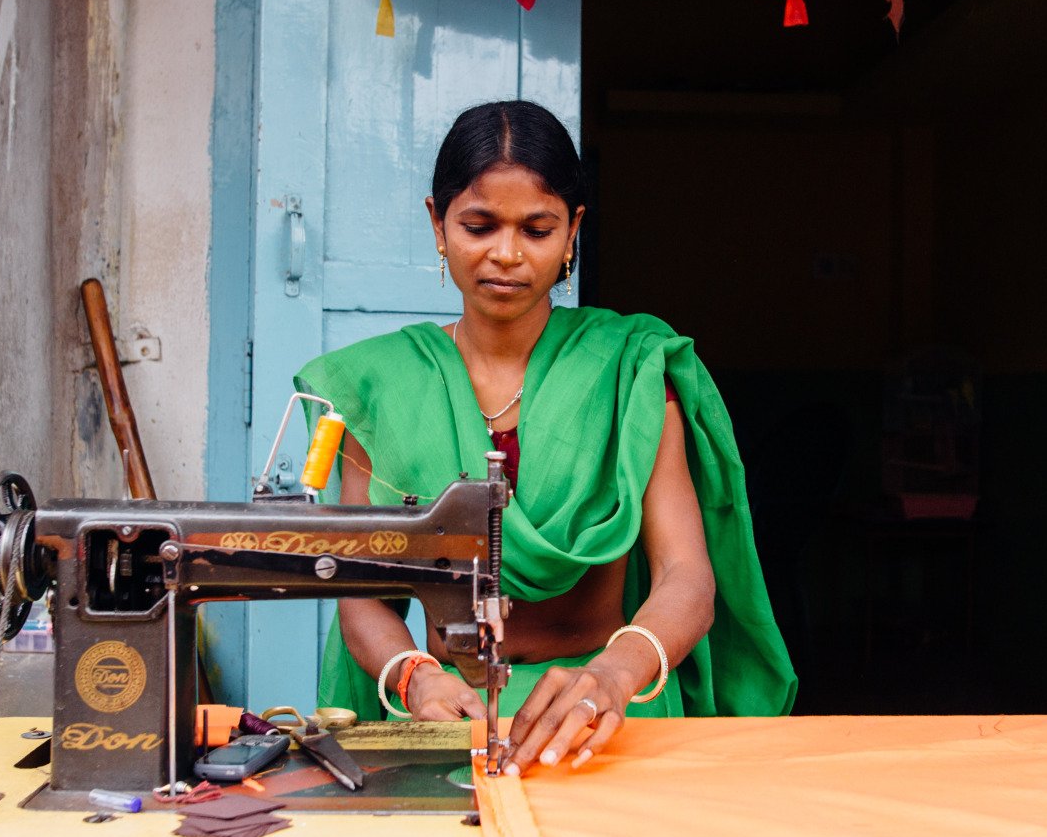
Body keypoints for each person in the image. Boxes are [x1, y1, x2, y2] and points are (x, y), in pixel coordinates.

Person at [296, 100, 796, 775]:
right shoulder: (379, 386)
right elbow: (360, 586)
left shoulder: (630, 371)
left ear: (572, 233)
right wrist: (415, 679)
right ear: (437, 225)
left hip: (607, 716)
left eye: (537, 229)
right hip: (448, 718)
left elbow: (687, 576)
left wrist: (617, 675)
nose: (506, 254)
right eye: (479, 225)